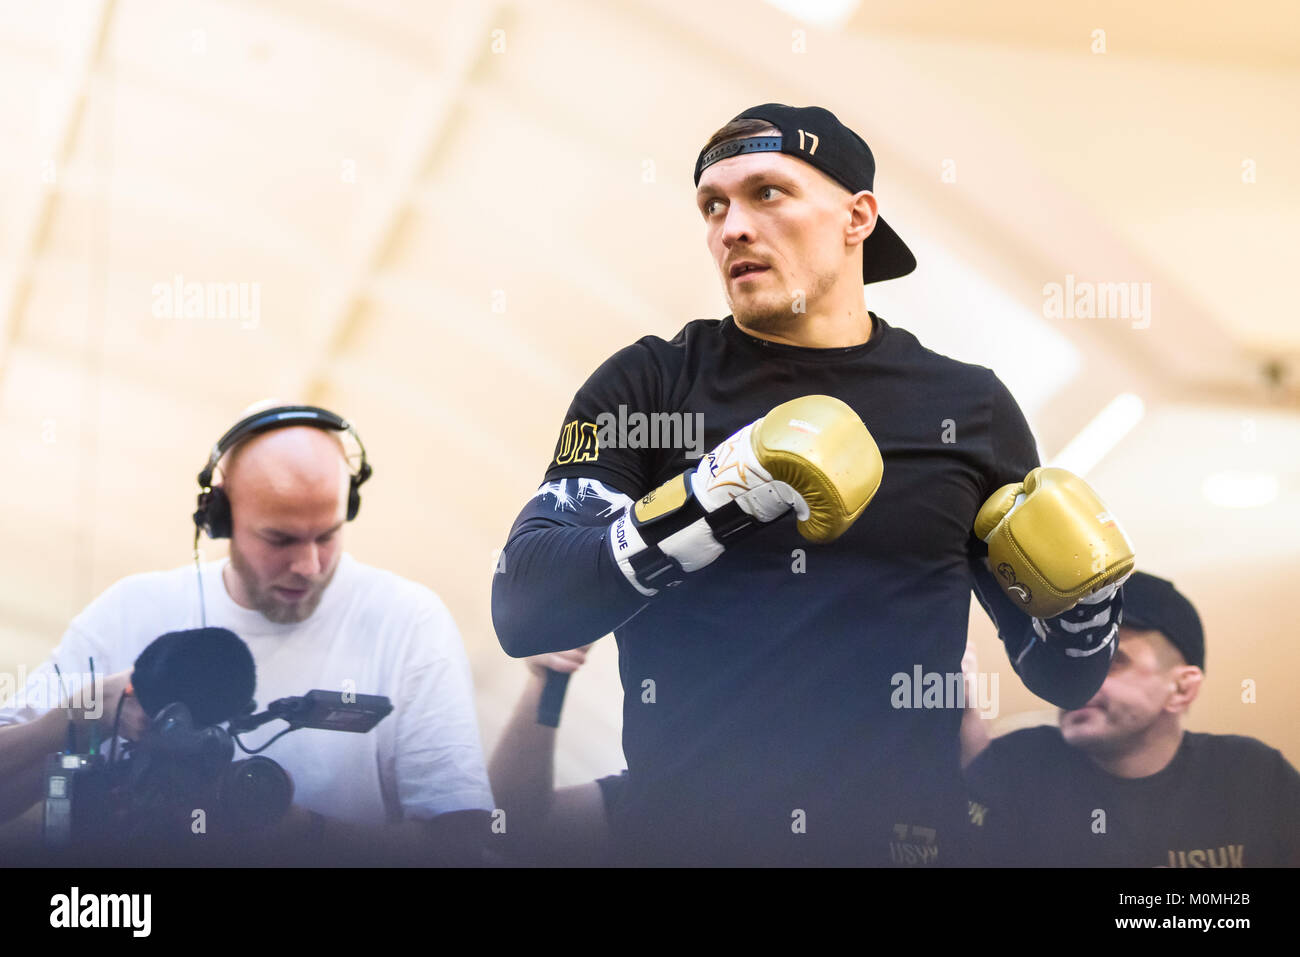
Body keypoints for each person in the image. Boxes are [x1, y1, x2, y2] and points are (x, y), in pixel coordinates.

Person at [490, 103, 1134, 866]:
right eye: (712, 205)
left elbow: (1063, 675)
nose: (731, 226)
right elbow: (526, 606)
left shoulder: (968, 406)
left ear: (857, 215)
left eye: (767, 193)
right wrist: (713, 501)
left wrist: (1086, 605)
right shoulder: (650, 384)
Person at [0, 403, 494, 864]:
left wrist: (299, 834)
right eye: (279, 539)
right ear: (221, 519)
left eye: (327, 534)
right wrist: (71, 719)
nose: (308, 565)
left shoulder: (408, 624)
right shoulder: (127, 610)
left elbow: (464, 847)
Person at [965, 571, 1300, 867]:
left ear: (1182, 689)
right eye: (1072, 663)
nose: (1078, 682)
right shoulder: (1017, 767)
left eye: (1112, 661)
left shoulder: (1255, 779)